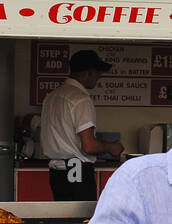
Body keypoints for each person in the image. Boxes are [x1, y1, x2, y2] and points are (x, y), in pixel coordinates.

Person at [41, 49, 124, 201]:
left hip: (56, 172)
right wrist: (112, 147)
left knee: (62, 218)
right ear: (88, 73)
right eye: (98, 73)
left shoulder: (52, 97)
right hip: (77, 171)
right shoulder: (81, 99)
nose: (99, 78)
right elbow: (89, 146)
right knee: (80, 220)